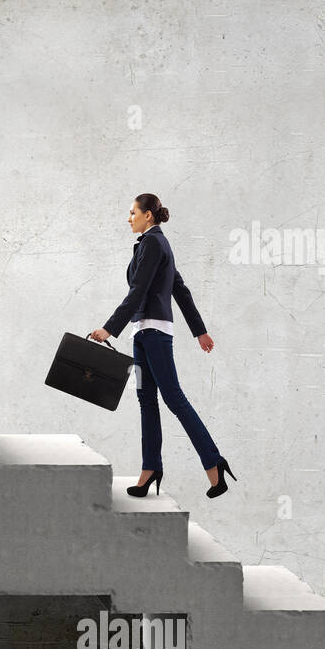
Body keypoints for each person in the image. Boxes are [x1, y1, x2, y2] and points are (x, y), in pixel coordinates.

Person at [88, 194, 236, 499]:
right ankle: (151, 469)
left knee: (174, 398)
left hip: (154, 333)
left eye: (132, 212)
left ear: (148, 216)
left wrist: (109, 328)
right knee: (146, 400)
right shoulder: (151, 244)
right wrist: (200, 332)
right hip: (142, 333)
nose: (128, 217)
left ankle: (214, 463)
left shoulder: (154, 243)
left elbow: (138, 289)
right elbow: (179, 289)